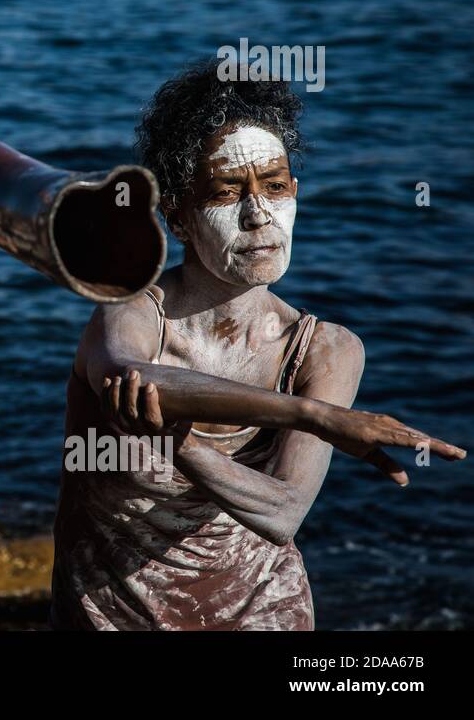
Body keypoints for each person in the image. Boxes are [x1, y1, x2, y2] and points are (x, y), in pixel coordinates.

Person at [51, 62, 464, 630]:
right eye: (227, 192)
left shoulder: (326, 349)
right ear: (178, 217)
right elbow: (132, 375)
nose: (258, 214)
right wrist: (318, 418)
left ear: (295, 193)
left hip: (264, 612)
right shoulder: (133, 311)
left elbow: (282, 512)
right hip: (113, 614)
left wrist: (180, 445)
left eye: (274, 187)